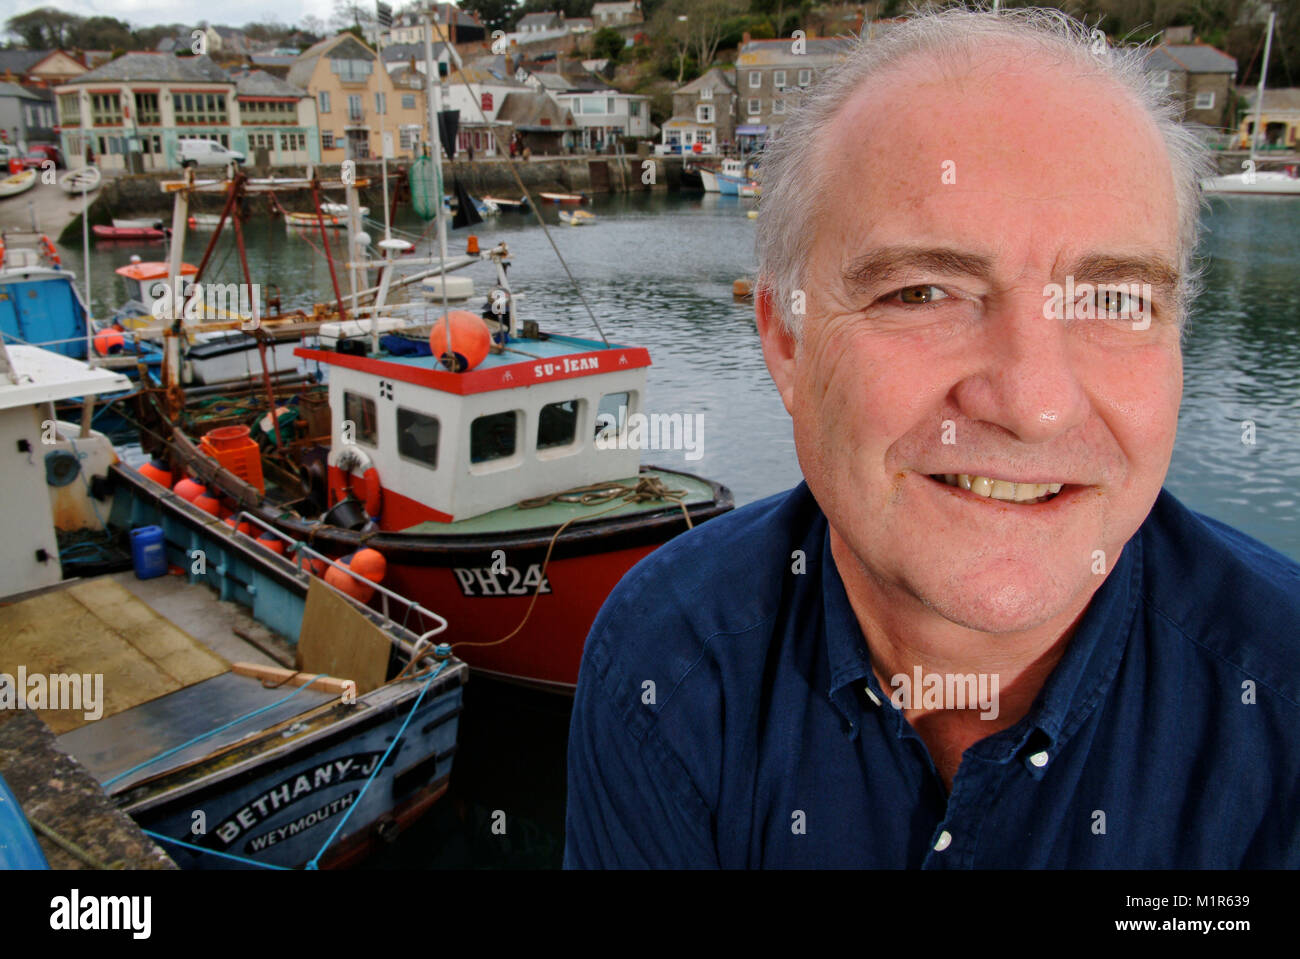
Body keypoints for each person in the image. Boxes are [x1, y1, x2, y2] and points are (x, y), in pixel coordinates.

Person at [564, 5, 1300, 868]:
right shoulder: (670, 670)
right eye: (921, 293)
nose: (1034, 404)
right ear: (788, 342)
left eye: (1113, 300)